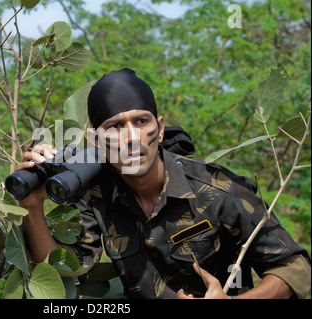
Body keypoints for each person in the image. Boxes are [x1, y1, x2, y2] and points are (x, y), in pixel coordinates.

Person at [16, 68, 311, 299]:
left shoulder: (218, 190)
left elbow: (296, 268)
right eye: (115, 126)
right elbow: (65, 270)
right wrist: (32, 206)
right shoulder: (94, 192)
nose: (131, 137)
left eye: (141, 122)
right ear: (97, 141)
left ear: (158, 129)